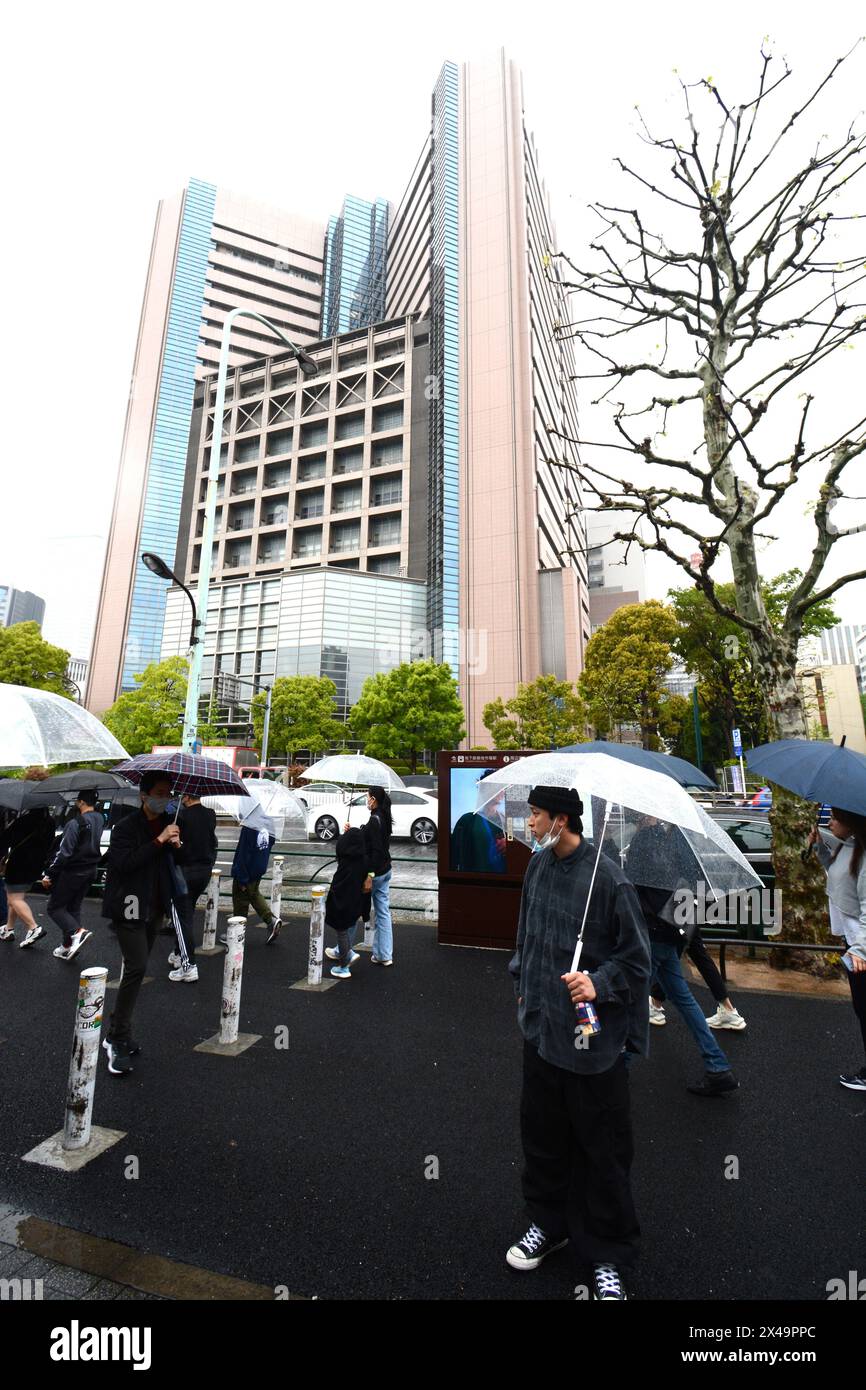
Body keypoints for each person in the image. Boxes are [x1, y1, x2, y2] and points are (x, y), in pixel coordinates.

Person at [507, 785, 651, 1303]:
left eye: (537, 816)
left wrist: (599, 982)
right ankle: (549, 1222)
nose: (530, 824)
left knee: (602, 1149)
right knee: (543, 1136)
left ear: (562, 821)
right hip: (541, 1033)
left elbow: (638, 962)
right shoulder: (538, 868)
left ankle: (607, 1252)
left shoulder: (609, 880)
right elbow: (525, 934)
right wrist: (521, 979)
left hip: (593, 1045)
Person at [626, 815, 739, 1097]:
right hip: (676, 929)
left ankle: (617, 1066)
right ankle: (717, 1066)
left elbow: (633, 884)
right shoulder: (681, 841)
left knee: (634, 1000)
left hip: (653, 932)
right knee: (685, 1001)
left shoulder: (645, 841)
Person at [101, 772, 183, 1076]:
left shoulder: (168, 823)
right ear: (144, 795)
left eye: (168, 794)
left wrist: (176, 845)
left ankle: (119, 1030)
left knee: (137, 969)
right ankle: (116, 1038)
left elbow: (177, 862)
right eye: (159, 793)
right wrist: (157, 841)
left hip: (155, 906)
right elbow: (124, 864)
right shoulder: (125, 827)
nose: (165, 798)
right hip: (129, 905)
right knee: (136, 968)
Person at [808, 807, 866, 1090]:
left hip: (861, 945)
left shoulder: (864, 855)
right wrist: (819, 848)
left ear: (851, 822)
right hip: (853, 941)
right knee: (861, 1006)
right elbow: (836, 875)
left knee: (864, 1007)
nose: (830, 822)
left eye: (835, 819)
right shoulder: (849, 846)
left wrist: (861, 950)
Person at [42, 791, 103, 960]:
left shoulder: (75, 823)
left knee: (54, 907)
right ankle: (68, 945)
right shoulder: (99, 818)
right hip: (91, 870)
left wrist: (49, 875)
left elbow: (64, 853)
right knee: (73, 908)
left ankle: (78, 932)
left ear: (81, 802)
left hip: (73, 871)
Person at [650, 928, 747, 1031]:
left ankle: (655, 1005)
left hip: (676, 917)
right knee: (700, 956)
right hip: (688, 916)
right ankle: (728, 1010)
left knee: (670, 955)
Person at [168, 792, 219, 980]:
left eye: (182, 795)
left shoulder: (181, 816)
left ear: (188, 796)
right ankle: (177, 953)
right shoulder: (210, 814)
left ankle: (188, 965)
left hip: (185, 871)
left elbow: (180, 849)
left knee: (181, 918)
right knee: (187, 912)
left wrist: (176, 844)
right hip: (204, 871)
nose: (181, 798)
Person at [0, 807, 56, 947]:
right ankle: (8, 928)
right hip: (36, 866)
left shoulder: (23, 821)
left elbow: (5, 840)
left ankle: (34, 928)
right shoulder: (50, 822)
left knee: (14, 899)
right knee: (15, 897)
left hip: (19, 864)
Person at [324, 827, 369, 979]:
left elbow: (341, 848)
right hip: (356, 900)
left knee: (341, 930)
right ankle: (347, 952)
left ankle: (344, 963)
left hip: (341, 901)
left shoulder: (344, 861)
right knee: (348, 925)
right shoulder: (363, 861)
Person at [226, 822, 281, 943]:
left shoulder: (250, 826)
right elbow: (270, 842)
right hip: (258, 868)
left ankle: (237, 935)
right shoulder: (268, 823)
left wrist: (241, 877)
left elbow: (243, 853)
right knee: (254, 894)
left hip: (246, 871)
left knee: (240, 900)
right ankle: (271, 921)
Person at [363, 786, 393, 966]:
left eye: (367, 797)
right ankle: (384, 954)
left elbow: (375, 850)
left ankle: (342, 951)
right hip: (386, 869)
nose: (366, 800)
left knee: (355, 909)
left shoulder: (375, 820)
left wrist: (369, 875)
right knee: (383, 913)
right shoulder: (384, 816)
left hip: (375, 873)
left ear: (373, 799)